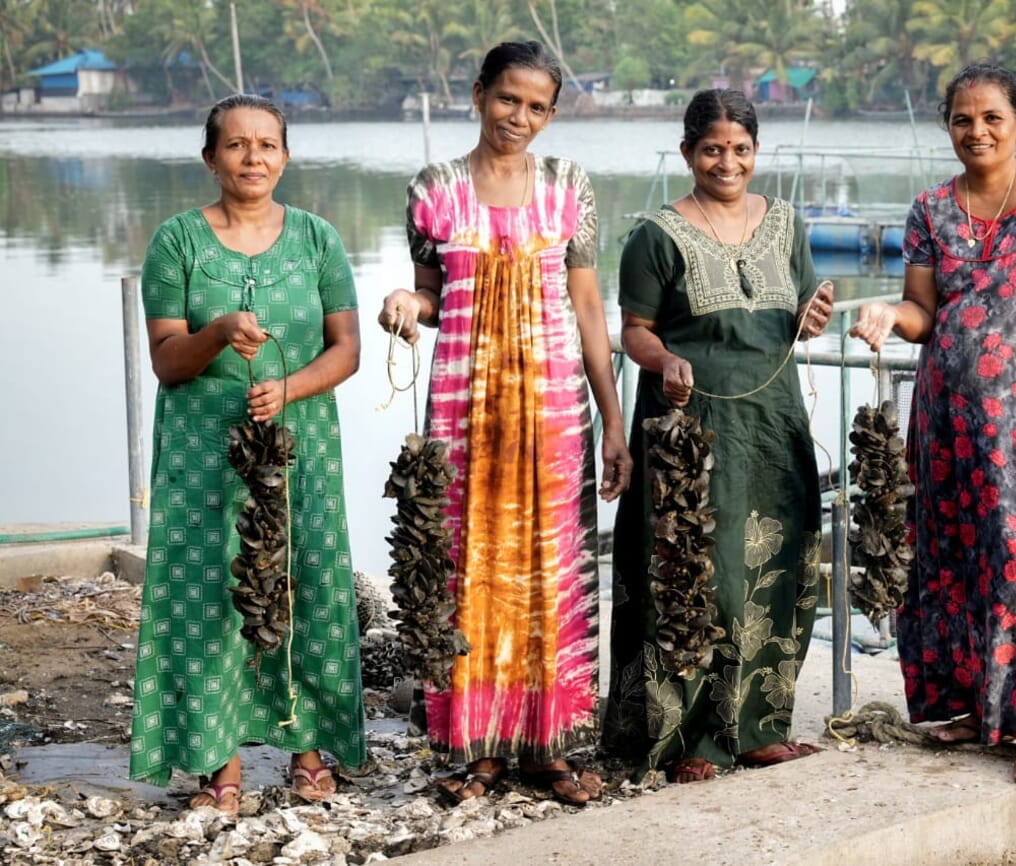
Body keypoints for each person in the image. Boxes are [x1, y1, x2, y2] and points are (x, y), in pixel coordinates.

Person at [377, 41, 631, 808]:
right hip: (463, 408)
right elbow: (431, 293)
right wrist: (403, 305)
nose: (517, 117)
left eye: (535, 106)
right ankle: (476, 749)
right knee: (469, 569)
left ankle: (548, 747)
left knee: (552, 572)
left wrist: (612, 420)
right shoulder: (434, 189)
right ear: (479, 92)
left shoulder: (569, 188)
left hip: (554, 411)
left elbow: (589, 306)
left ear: (551, 115)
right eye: (506, 99)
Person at [851, 63, 1016, 784]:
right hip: (943, 427)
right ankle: (965, 708)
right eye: (963, 120)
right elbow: (922, 313)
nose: (978, 131)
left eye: (993, 117)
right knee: (946, 567)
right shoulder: (931, 209)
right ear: (948, 127)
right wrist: (883, 313)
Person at [129, 94, 366, 814]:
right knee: (209, 599)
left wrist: (288, 388)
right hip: (204, 454)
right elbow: (168, 361)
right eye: (236, 146)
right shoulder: (177, 243)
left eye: (267, 145)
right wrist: (221, 330)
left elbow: (348, 350)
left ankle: (309, 751)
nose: (253, 158)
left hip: (302, 449)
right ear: (211, 159)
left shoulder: (319, 239)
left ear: (286, 157)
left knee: (309, 586)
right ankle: (218, 766)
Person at [601, 88, 835, 783]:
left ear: (756, 153)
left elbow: (798, 312)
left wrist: (813, 316)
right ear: (687, 154)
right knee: (695, 574)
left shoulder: (786, 224)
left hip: (772, 424)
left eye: (740, 149)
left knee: (778, 565)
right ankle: (687, 739)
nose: (726, 162)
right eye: (712, 149)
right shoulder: (658, 234)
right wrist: (664, 360)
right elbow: (634, 330)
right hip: (690, 426)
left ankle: (760, 726)